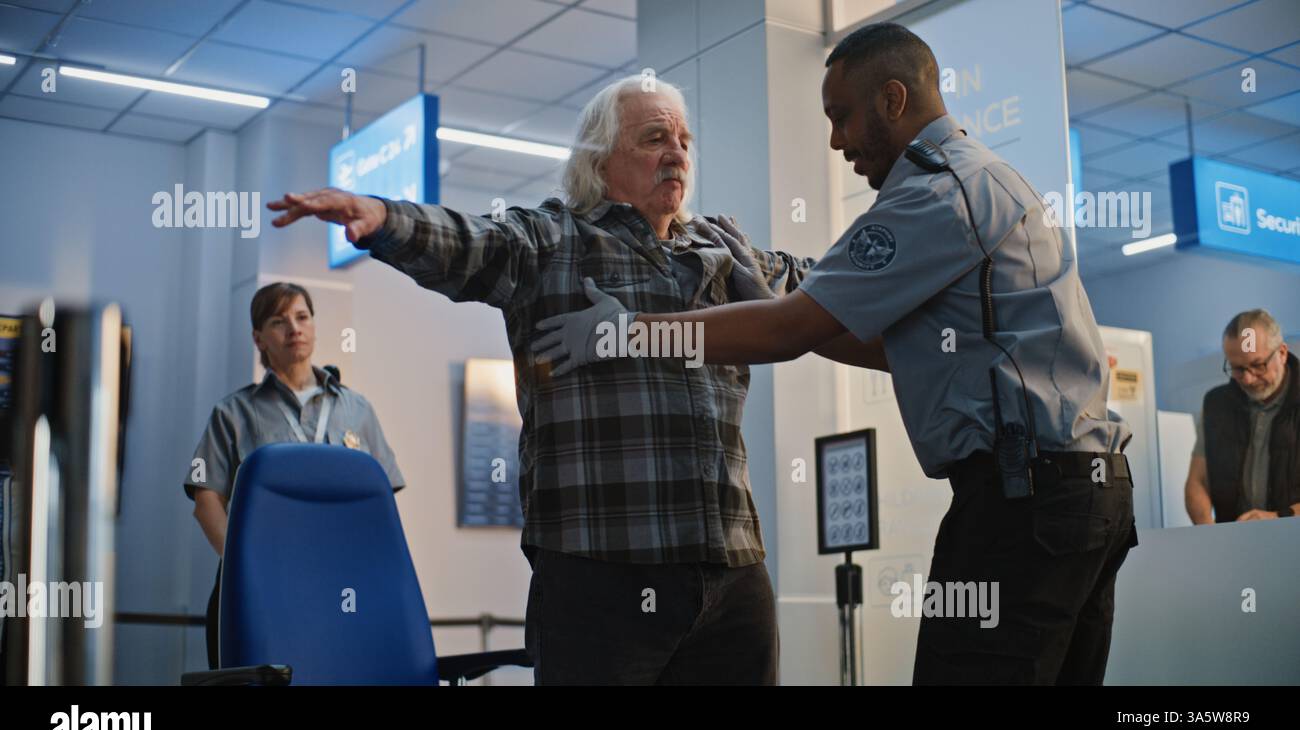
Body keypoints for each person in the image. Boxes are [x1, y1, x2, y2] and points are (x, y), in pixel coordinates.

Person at [532, 23, 1137, 685]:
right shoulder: (991, 176)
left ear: (894, 101)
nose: (836, 140)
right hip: (1088, 494)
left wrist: (633, 331)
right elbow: (895, 347)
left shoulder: (932, 194)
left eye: (841, 117)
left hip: (1023, 499)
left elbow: (789, 329)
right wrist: (786, 309)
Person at [267, 76, 817, 685]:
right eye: (655, 138)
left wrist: (909, 249)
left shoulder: (723, 249)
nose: (678, 153)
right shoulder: (554, 240)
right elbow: (471, 242)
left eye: (684, 139)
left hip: (732, 570)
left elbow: (836, 290)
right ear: (600, 158)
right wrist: (384, 218)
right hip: (600, 571)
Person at [184, 282, 404, 669]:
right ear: (259, 338)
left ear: (314, 326)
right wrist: (245, 570)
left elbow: (381, 500)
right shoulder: (233, 412)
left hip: (341, 585)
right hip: (260, 587)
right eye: (278, 321)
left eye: (302, 317)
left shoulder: (356, 410)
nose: (294, 329)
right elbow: (206, 502)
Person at [1185, 308, 1299, 524]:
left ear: (1282, 353)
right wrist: (1210, 533)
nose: (1248, 379)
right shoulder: (1216, 405)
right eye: (1237, 368)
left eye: (1258, 365)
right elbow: (1197, 481)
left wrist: (1277, 518)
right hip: (1234, 545)